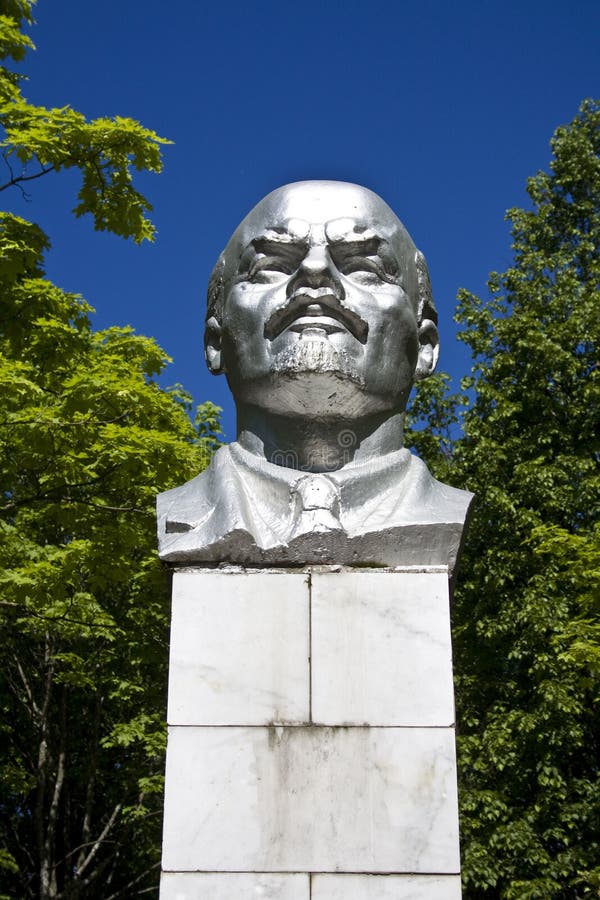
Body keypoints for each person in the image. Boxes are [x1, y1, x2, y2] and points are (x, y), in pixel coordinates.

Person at [157, 181, 472, 571]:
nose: (315, 271)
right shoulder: (184, 514)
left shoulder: (442, 513)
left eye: (365, 267)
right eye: (270, 266)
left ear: (425, 346)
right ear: (215, 340)